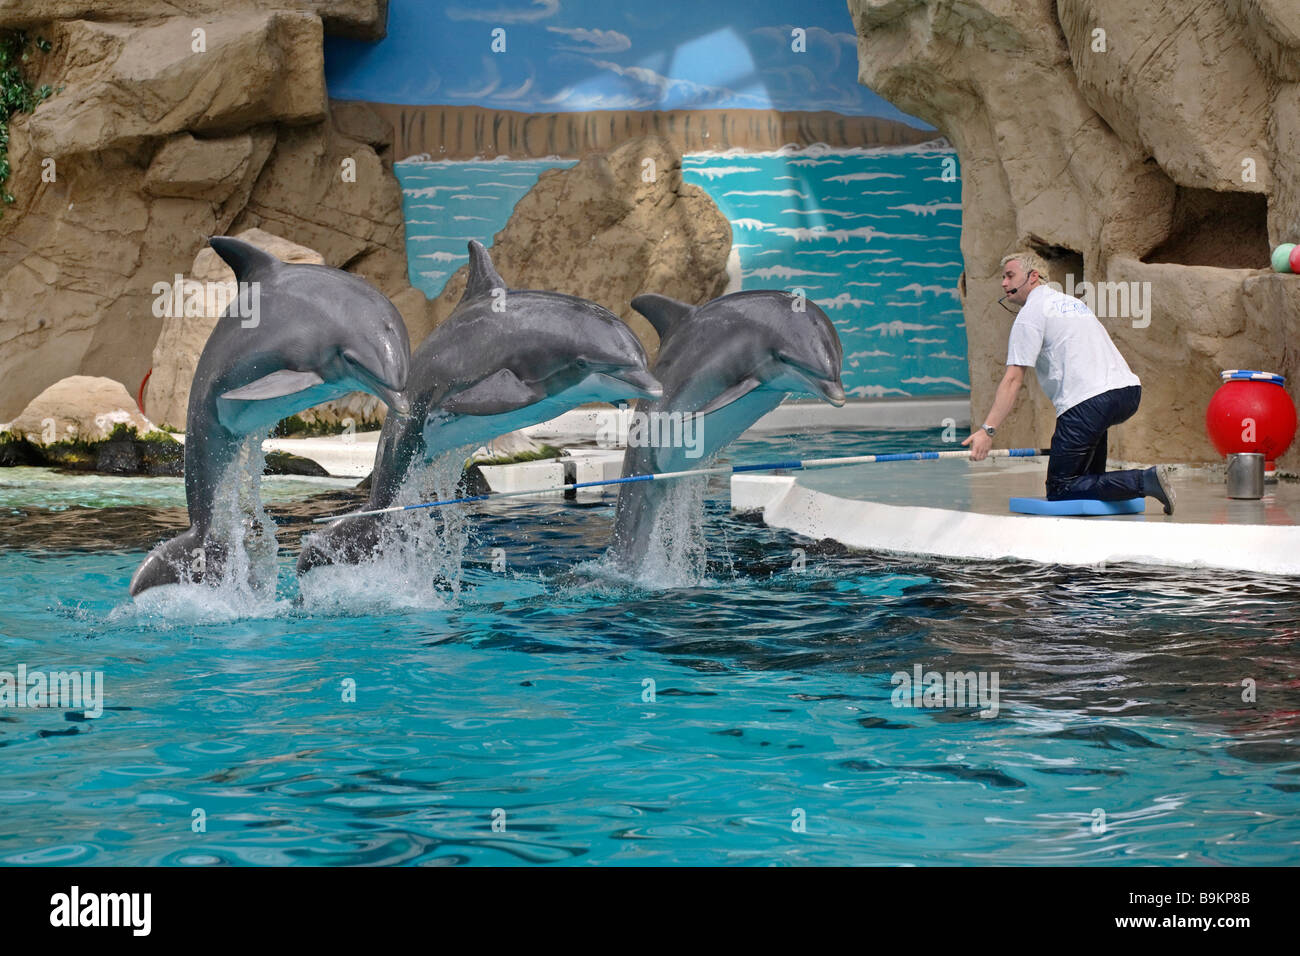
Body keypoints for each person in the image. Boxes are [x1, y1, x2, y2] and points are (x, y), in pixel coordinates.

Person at [962, 251, 1175, 514]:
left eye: (1009, 276)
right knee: (1086, 478)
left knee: (1061, 488)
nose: (1003, 283)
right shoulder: (1070, 303)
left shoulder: (1031, 314)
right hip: (1126, 393)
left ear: (1033, 277)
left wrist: (988, 430)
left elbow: (1013, 379)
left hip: (1088, 402)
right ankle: (1114, 504)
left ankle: (1146, 480)